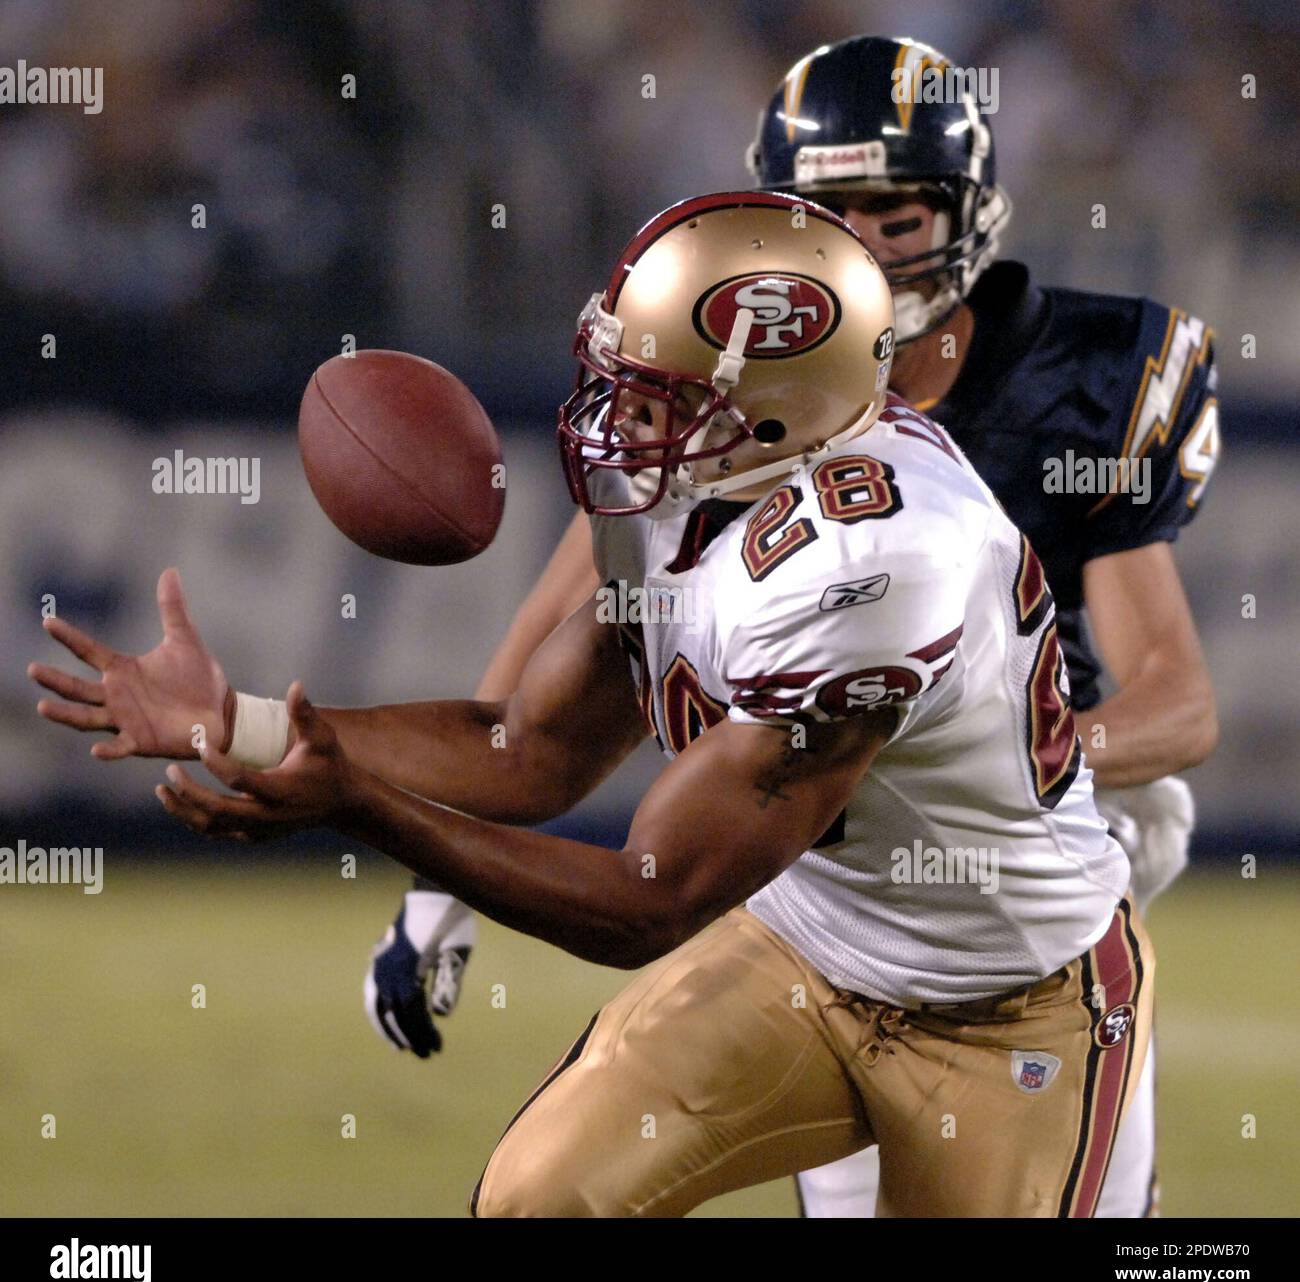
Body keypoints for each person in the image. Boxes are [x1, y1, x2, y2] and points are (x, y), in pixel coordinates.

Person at [31, 192, 1151, 1217]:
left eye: (655, 392)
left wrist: (356, 806)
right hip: (806, 953)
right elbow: (529, 753)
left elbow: (645, 905)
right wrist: (242, 727)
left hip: (1007, 1006)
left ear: (768, 414)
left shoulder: (878, 564)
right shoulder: (694, 480)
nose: (614, 413)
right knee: (538, 1201)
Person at [366, 35, 1219, 1218]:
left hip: (1001, 880)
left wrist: (1057, 767)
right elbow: (565, 662)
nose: (862, 244)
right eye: (832, 210)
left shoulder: (1070, 392)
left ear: (965, 212)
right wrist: (432, 882)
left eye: (896, 210)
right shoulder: (711, 404)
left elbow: (1179, 698)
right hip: (809, 882)